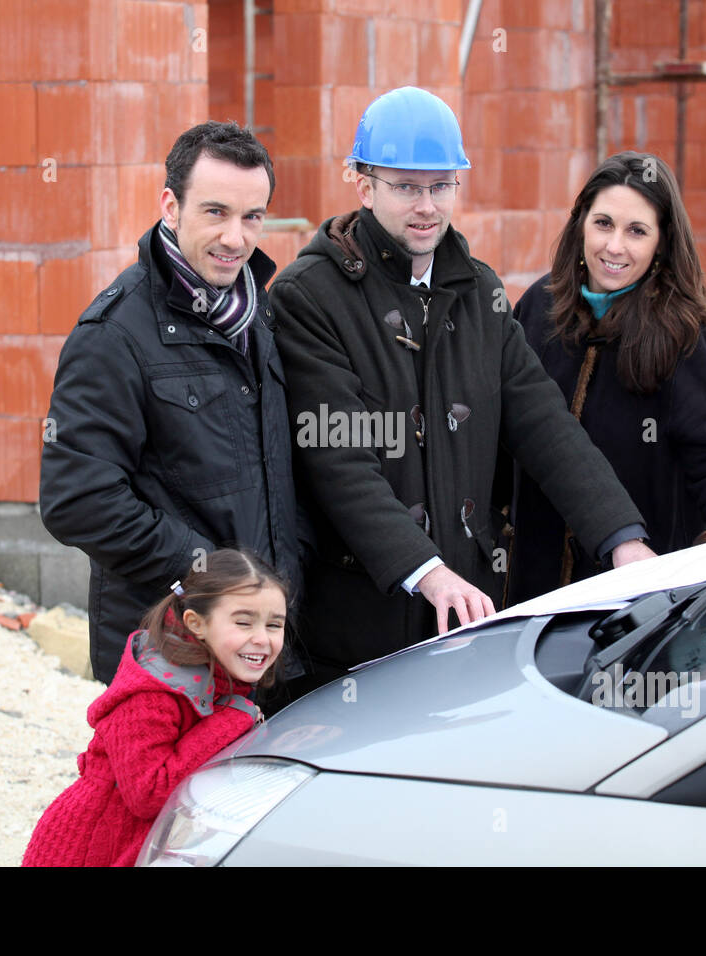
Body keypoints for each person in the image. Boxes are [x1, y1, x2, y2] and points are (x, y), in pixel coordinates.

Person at [269, 87, 656, 692]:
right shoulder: (310, 296)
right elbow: (337, 462)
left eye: (441, 185)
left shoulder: (477, 291)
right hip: (357, 627)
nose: (426, 206)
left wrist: (622, 538)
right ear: (364, 185)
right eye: (406, 186)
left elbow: (546, 425)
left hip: (463, 613)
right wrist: (425, 570)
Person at [39, 121, 300, 686]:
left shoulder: (259, 317)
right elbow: (76, 501)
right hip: (168, 653)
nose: (236, 237)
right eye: (215, 212)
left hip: (255, 647)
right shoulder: (113, 334)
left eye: (252, 216)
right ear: (170, 206)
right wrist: (211, 574)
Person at [505, 151, 706, 604]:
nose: (614, 246)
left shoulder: (682, 332)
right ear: (580, 224)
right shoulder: (539, 308)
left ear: (662, 243)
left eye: (637, 231)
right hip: (536, 591)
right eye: (603, 223)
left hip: (640, 597)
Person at [22, 549, 286, 867]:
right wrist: (232, 717)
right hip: (87, 850)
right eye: (243, 622)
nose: (261, 638)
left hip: (142, 846)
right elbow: (147, 792)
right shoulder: (149, 693)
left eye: (274, 625)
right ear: (196, 624)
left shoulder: (222, 676)